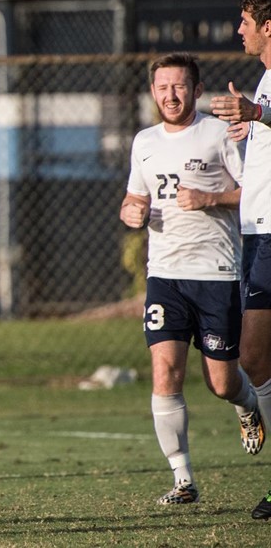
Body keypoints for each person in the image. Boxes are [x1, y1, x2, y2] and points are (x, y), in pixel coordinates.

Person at [120, 53, 263, 507]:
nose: (170, 95)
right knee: (165, 372)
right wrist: (131, 213)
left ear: (197, 91)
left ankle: (247, 404)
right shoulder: (143, 141)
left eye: (179, 86)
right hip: (164, 274)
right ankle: (183, 479)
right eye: (162, 88)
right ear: (152, 92)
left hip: (216, 272)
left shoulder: (220, 133)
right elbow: (132, 199)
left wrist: (209, 197)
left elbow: (252, 193)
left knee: (220, 382)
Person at [210, 0, 271, 520]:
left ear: (268, 24)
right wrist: (250, 123)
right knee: (256, 357)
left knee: (252, 355)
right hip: (257, 230)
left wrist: (258, 112)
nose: (239, 29)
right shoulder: (265, 79)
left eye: (246, 20)